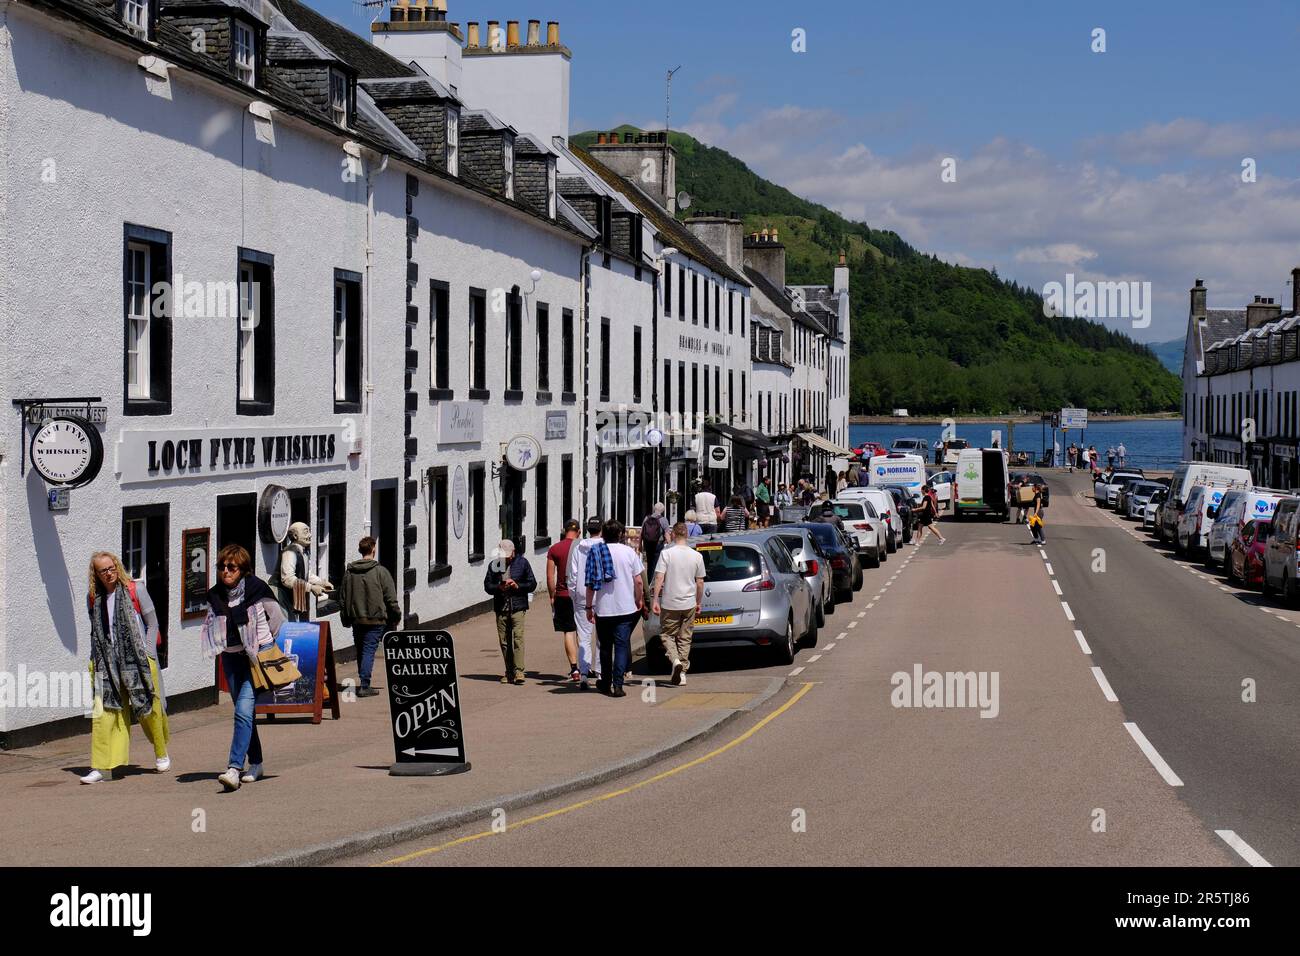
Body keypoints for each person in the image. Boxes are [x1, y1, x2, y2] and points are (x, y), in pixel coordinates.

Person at [200, 544, 287, 791]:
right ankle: (257, 763)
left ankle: (234, 768)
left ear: (243, 569)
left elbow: (278, 619)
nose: (225, 571)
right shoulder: (215, 595)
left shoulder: (257, 589)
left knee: (242, 711)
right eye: (222, 567)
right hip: (230, 657)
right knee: (245, 713)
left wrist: (263, 644)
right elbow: (212, 625)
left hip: (254, 659)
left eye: (231, 567)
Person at [81, 552, 171, 785]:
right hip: (106, 663)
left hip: (137, 661)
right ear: (96, 574)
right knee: (102, 713)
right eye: (103, 570)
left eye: (112, 567)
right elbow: (96, 632)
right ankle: (101, 766)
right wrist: (94, 660)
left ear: (117, 566)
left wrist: (148, 653)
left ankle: (160, 752)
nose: (109, 573)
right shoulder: (94, 598)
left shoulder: (135, 589)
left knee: (148, 707)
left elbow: (153, 624)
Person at [585, 520, 645, 698]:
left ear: (603, 533)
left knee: (605, 647)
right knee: (621, 646)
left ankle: (605, 682)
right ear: (620, 535)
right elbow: (639, 581)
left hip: (604, 608)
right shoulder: (629, 553)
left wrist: (589, 606)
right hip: (625, 608)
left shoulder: (596, 552)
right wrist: (638, 598)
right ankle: (618, 685)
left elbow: (590, 584)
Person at [339, 536, 401, 698]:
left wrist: (345, 617)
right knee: (368, 650)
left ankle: (363, 680)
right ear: (373, 549)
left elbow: (343, 597)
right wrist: (396, 615)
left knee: (361, 649)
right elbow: (390, 597)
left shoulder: (350, 572)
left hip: (356, 618)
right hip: (376, 618)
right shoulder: (381, 572)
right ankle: (364, 685)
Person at [652, 524, 706, 686]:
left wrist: (655, 600)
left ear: (673, 534)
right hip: (689, 602)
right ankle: (682, 673)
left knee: (667, 635)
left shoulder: (666, 554)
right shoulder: (696, 556)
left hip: (670, 602)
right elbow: (700, 582)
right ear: (687, 535)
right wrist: (698, 602)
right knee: (685, 637)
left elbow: (659, 578)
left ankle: (675, 661)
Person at [484, 539, 536, 685]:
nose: (507, 557)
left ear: (513, 551)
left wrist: (517, 585)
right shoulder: (494, 565)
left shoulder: (523, 563)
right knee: (504, 641)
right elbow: (487, 586)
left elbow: (532, 583)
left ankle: (519, 671)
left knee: (518, 638)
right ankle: (509, 671)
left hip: (518, 607)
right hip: (501, 608)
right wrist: (499, 587)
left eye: (509, 554)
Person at [567, 518, 605, 688]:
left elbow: (573, 575)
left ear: (587, 529)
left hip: (582, 595)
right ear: (601, 529)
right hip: (603, 597)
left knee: (584, 637)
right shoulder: (605, 547)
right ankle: (599, 672)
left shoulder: (578, 548)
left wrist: (573, 595)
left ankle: (583, 673)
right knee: (601, 637)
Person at [547, 519, 582, 684]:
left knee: (569, 631)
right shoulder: (584, 546)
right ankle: (587, 666)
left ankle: (574, 669)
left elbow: (549, 576)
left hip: (563, 594)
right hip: (581, 594)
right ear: (579, 532)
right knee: (583, 631)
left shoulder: (554, 549)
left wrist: (552, 595)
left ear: (564, 531)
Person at [640, 504, 671, 584]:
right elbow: (667, 534)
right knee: (658, 565)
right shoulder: (663, 520)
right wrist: (671, 545)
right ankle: (654, 584)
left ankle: (648, 583)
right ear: (663, 510)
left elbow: (641, 533)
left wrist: (640, 545)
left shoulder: (647, 518)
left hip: (648, 545)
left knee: (650, 565)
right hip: (658, 545)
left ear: (654, 509)